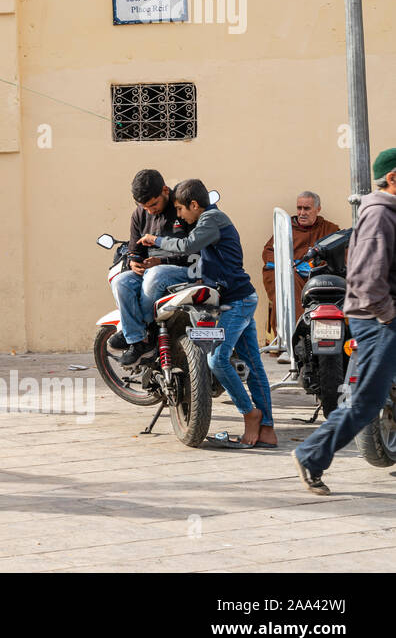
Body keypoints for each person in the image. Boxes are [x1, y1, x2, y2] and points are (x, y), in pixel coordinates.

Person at [141, 178, 275, 448]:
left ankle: (250, 414)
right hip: (240, 298)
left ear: (194, 204)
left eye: (180, 209)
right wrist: (162, 260)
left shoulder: (210, 219)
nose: (178, 215)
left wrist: (155, 240)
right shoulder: (211, 221)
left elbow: (187, 245)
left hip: (236, 302)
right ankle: (268, 430)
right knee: (253, 365)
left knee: (216, 359)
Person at [293, 149, 396, 495]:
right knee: (366, 401)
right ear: (393, 179)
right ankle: (311, 454)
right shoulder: (380, 216)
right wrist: (390, 317)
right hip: (378, 322)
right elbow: (367, 281)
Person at [110, 169, 197, 368]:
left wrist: (161, 263)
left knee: (155, 275)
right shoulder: (140, 214)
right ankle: (138, 343)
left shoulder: (182, 207)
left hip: (183, 270)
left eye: (153, 205)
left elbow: (195, 250)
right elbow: (134, 248)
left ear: (165, 191)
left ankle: (139, 332)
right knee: (121, 281)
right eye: (144, 207)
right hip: (149, 271)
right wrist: (134, 261)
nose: (150, 211)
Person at [261, 191, 339, 359]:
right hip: (289, 274)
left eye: (307, 208)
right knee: (289, 282)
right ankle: (295, 342)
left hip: (317, 275)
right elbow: (269, 252)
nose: (302, 213)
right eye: (299, 208)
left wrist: (316, 266)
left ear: (318, 209)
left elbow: (340, 252)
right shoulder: (286, 227)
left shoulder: (329, 229)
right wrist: (286, 265)